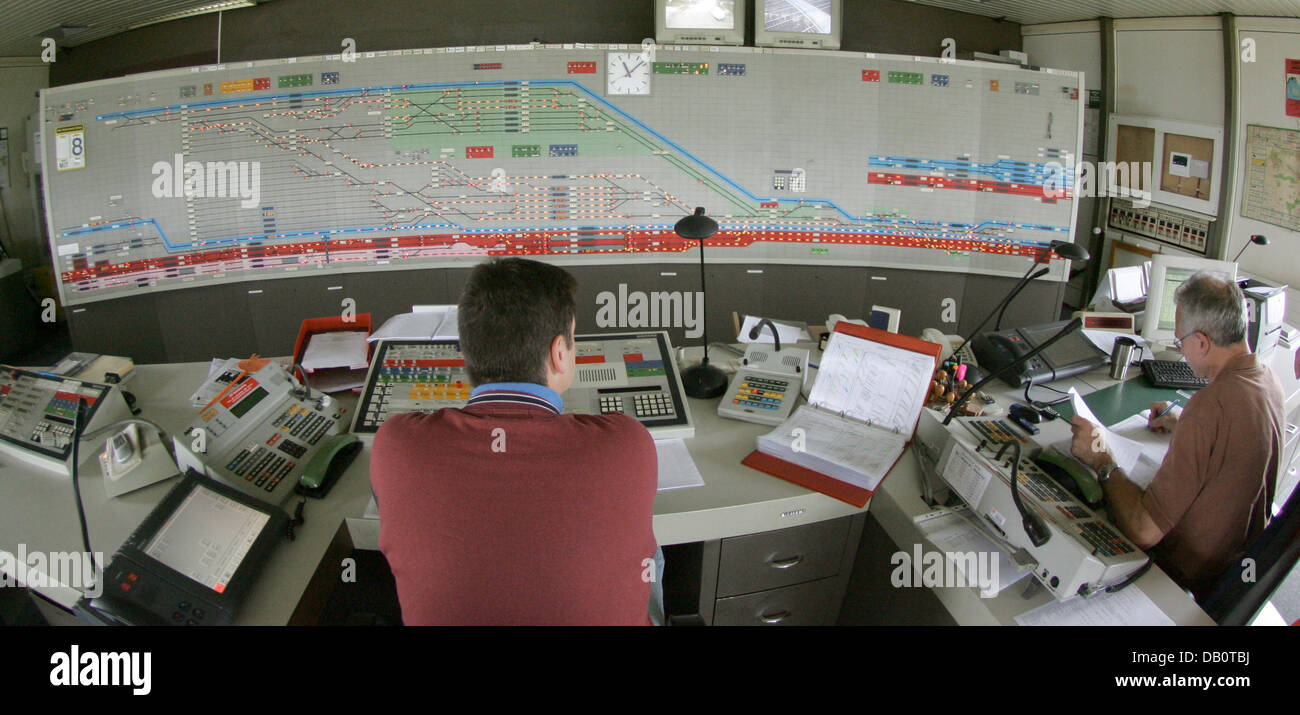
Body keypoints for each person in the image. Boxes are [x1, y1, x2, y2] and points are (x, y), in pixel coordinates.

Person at [370, 257, 660, 625]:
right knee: (654, 554)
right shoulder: (628, 443)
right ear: (560, 353)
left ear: (467, 352)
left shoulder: (395, 445)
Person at [1070, 271, 1284, 600]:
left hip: (1185, 579)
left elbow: (1143, 531)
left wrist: (1101, 457)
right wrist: (1181, 424)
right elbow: (1232, 441)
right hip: (1236, 564)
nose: (1180, 350)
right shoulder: (1267, 379)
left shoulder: (1210, 406)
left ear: (1202, 341)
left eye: (1180, 339)